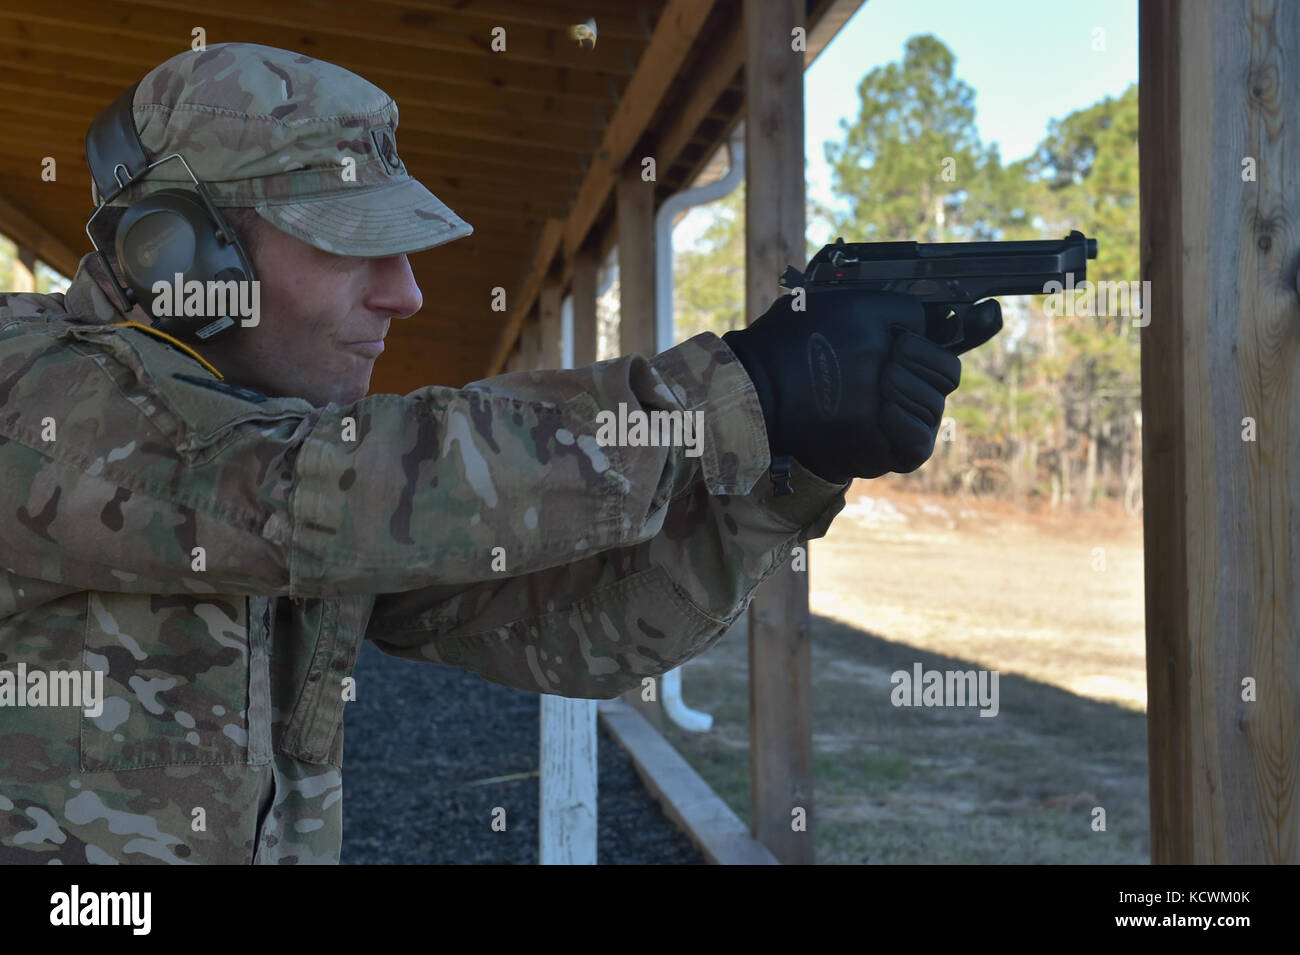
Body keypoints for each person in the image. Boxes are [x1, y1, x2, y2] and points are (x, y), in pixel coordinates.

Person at [0, 42, 1000, 864]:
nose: (406, 295)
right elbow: (319, 486)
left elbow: (578, 628)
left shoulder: (275, 439)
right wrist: (735, 389)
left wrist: (790, 466)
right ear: (173, 254)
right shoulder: (38, 391)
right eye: (351, 247)